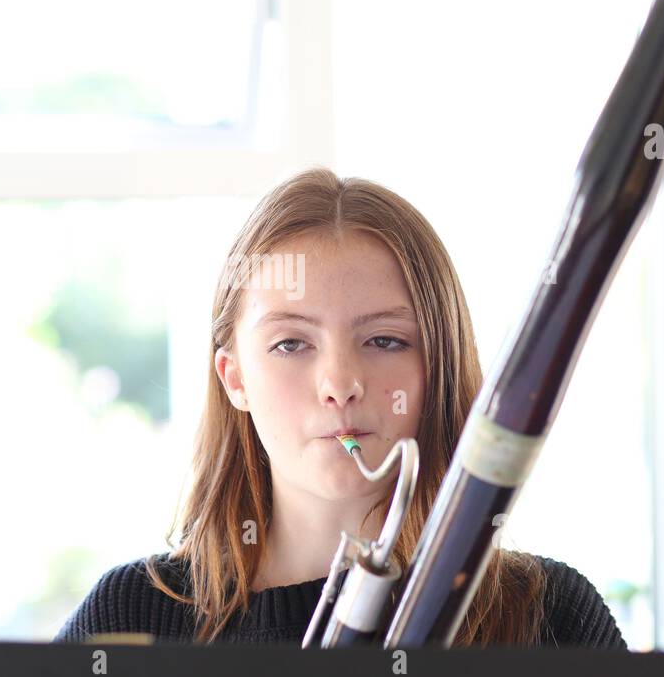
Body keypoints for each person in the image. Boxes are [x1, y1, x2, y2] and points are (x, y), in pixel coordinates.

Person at [55, 168, 627, 649]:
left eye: (385, 341)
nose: (340, 385)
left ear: (440, 369)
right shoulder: (129, 620)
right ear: (234, 380)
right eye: (290, 344)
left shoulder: (551, 616)